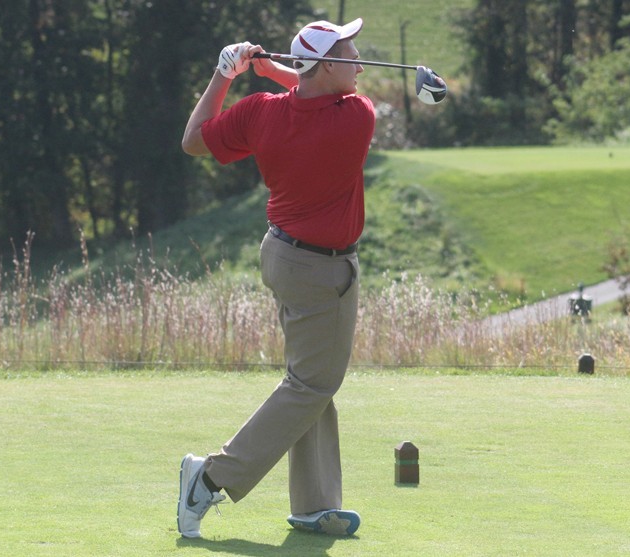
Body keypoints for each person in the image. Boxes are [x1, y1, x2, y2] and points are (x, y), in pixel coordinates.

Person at [178, 19, 375, 538]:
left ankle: (314, 505)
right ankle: (210, 477)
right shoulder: (356, 116)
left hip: (283, 257)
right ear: (326, 64)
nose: (359, 58)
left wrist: (227, 75)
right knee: (312, 383)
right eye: (348, 51)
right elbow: (309, 93)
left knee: (312, 379)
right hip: (321, 268)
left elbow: (195, 141)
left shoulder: (260, 111)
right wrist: (276, 69)